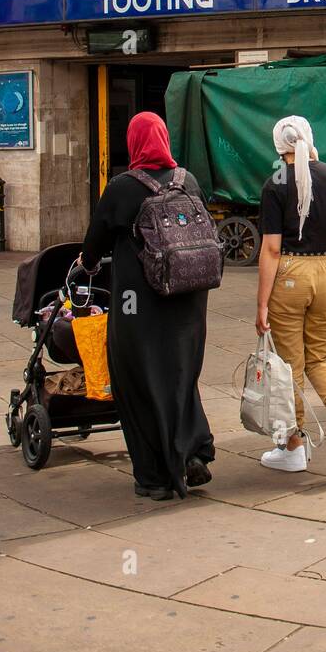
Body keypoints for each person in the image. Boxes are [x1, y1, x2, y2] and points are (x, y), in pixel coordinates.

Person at [78, 112, 214, 501]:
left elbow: (95, 243)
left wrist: (86, 265)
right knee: (181, 377)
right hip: (189, 298)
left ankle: (155, 475)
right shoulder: (186, 179)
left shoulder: (122, 186)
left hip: (139, 302)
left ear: (135, 141)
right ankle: (190, 451)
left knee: (137, 380)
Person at [256, 115, 326, 473]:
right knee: (324, 356)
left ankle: (293, 446)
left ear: (279, 146)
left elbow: (271, 249)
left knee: (289, 366)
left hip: (291, 273)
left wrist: (262, 303)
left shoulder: (274, 183)